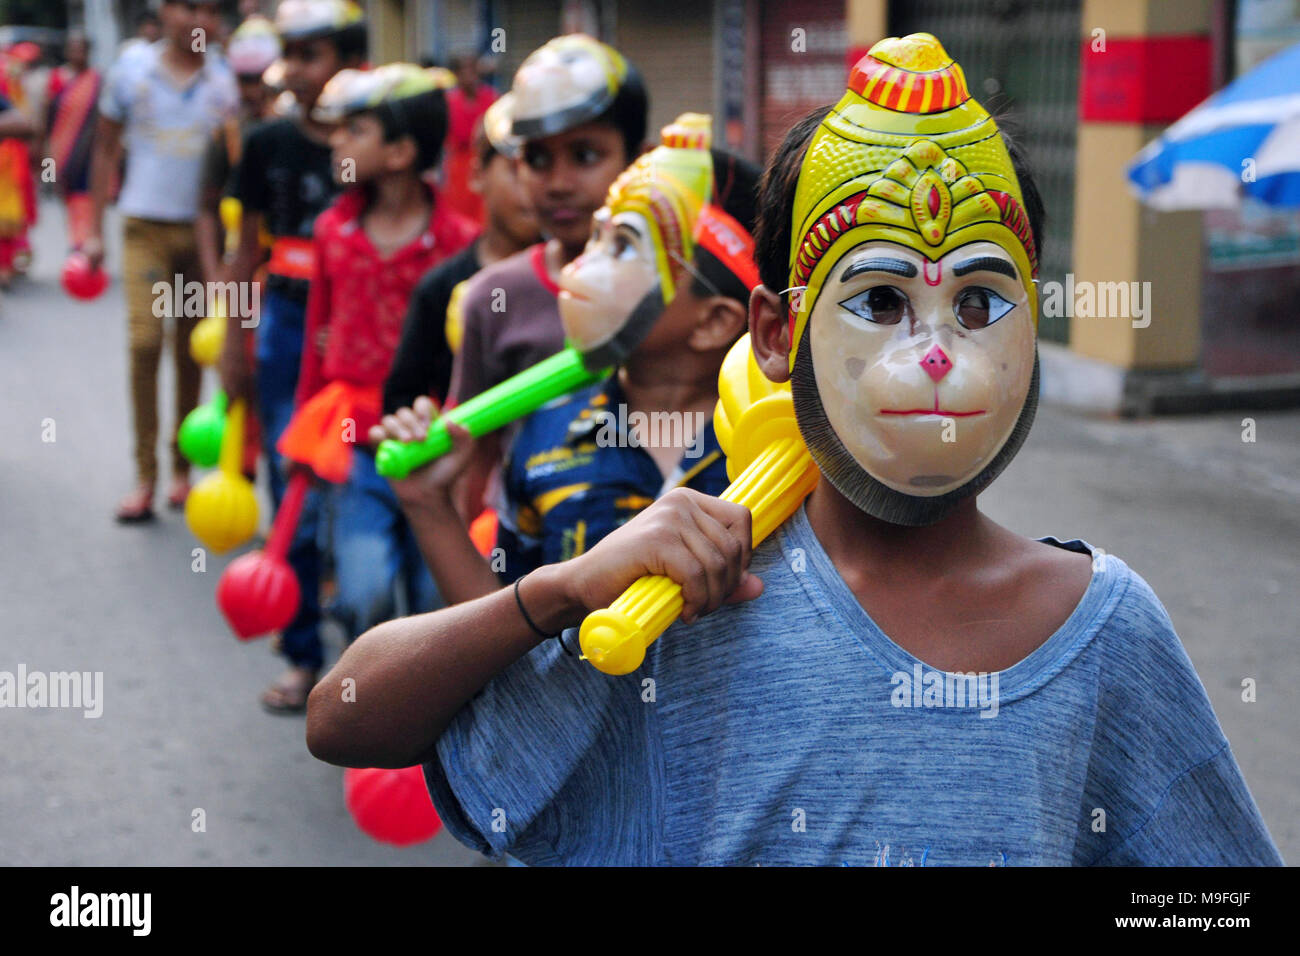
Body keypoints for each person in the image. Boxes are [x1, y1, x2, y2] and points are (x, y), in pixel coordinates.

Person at [306, 35, 1284, 866]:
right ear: (774, 332)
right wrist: (564, 589)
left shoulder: (1103, 630)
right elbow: (346, 717)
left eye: (980, 302)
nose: (934, 354)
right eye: (879, 300)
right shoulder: (684, 605)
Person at [374, 115, 760, 611]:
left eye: (623, 245)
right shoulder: (545, 436)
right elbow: (502, 644)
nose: (581, 266)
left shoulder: (775, 450)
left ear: (714, 322)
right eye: (598, 236)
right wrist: (428, 506)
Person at [277, 64, 475, 703]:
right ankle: (372, 702)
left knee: (431, 602)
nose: (336, 143)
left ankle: (424, 727)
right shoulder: (332, 231)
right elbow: (318, 334)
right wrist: (306, 424)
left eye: (354, 130)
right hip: (356, 450)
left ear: (400, 152)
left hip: (437, 451)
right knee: (361, 594)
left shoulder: (459, 244)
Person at [216, 0, 367, 714]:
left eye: (313, 54)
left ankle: (384, 665)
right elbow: (247, 253)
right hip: (284, 325)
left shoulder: (375, 145)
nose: (297, 71)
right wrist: (235, 343)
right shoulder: (269, 141)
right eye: (291, 55)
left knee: (369, 487)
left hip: (362, 329)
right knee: (293, 477)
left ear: (350, 60)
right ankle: (304, 653)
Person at [445, 34, 649, 521]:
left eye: (584, 156)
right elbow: (474, 456)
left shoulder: (684, 295)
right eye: (537, 160)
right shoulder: (492, 297)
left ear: (639, 158)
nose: (558, 183)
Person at [83, 0, 238, 523]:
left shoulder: (226, 82)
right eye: (188, 7)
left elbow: (235, 169)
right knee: (144, 342)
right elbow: (104, 150)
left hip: (202, 237)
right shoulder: (131, 71)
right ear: (165, 11)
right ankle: (144, 476)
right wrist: (91, 232)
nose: (198, 21)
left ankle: (180, 469)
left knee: (192, 352)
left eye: (211, 10)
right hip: (142, 228)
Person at [382, 113, 539, 417]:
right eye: (519, 168)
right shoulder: (439, 288)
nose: (533, 184)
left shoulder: (577, 281)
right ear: (478, 174)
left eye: (541, 167)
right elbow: (402, 398)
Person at [44, 32, 101, 251]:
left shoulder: (97, 80)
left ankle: (85, 238)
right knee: (64, 191)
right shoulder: (58, 78)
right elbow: (47, 114)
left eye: (82, 49)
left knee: (86, 193)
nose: (77, 53)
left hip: (89, 148)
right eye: (73, 48)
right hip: (60, 147)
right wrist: (45, 148)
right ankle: (76, 236)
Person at [440, 49, 497, 227]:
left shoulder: (490, 98)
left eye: (472, 70)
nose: (469, 76)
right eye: (464, 71)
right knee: (460, 215)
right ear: (456, 75)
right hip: (458, 168)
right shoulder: (449, 102)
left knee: (485, 213)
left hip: (485, 163)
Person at [0, 42, 41, 285]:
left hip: (10, 155)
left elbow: (25, 122)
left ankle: (9, 263)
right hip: (12, 153)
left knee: (9, 211)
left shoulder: (11, 73)